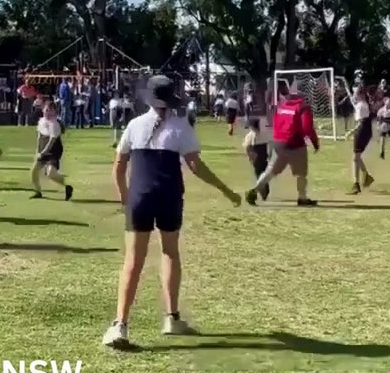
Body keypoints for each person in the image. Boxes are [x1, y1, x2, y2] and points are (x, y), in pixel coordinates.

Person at [102, 76, 240, 349]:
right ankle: (171, 318)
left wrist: (126, 200)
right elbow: (196, 166)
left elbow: (118, 168)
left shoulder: (134, 125)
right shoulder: (181, 126)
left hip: (140, 198)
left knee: (133, 260)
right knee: (170, 252)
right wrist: (225, 190)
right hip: (169, 196)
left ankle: (120, 325)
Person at [246, 80, 319, 207]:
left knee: (271, 171)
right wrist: (315, 142)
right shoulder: (303, 107)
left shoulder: (282, 105)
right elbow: (307, 128)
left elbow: (276, 122)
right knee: (301, 173)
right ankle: (302, 197)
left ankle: (254, 190)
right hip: (295, 144)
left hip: (278, 143)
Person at [30, 102, 74, 200]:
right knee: (34, 171)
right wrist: (37, 151)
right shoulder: (41, 121)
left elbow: (52, 141)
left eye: (51, 110)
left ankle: (67, 186)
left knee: (51, 173)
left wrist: (43, 152)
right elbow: (39, 137)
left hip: (53, 150)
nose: (48, 113)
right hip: (43, 149)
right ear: (43, 110)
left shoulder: (55, 124)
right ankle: (38, 191)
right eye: (46, 110)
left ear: (55, 112)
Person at [341, 80, 375, 194]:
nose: (354, 94)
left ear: (360, 94)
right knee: (357, 157)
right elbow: (352, 98)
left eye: (356, 92)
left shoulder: (361, 106)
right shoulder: (362, 103)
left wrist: (350, 132)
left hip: (363, 130)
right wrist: (346, 84)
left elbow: (361, 123)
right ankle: (366, 176)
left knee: (355, 158)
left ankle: (356, 184)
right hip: (366, 130)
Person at [242, 115, 272, 202]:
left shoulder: (250, 135)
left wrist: (249, 156)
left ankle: (262, 190)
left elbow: (247, 146)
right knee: (264, 172)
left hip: (256, 154)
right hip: (263, 154)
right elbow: (269, 143)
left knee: (259, 173)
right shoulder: (264, 134)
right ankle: (264, 190)